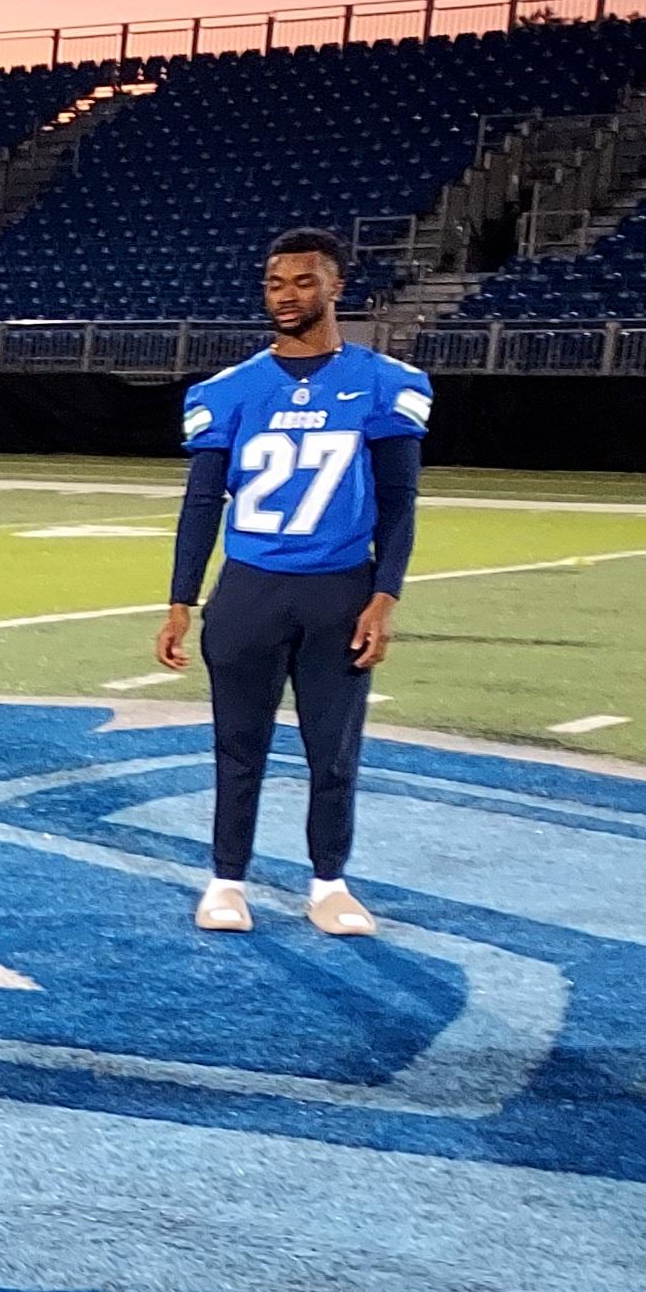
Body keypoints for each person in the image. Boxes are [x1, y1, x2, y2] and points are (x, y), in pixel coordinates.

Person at [155, 228, 431, 940]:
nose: (287, 294)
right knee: (238, 741)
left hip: (339, 587)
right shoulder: (230, 390)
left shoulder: (383, 383)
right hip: (250, 586)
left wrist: (385, 594)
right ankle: (227, 878)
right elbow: (200, 501)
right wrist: (180, 599)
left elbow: (399, 502)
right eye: (276, 282)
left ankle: (329, 882)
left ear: (336, 287)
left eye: (303, 281)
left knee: (332, 748)